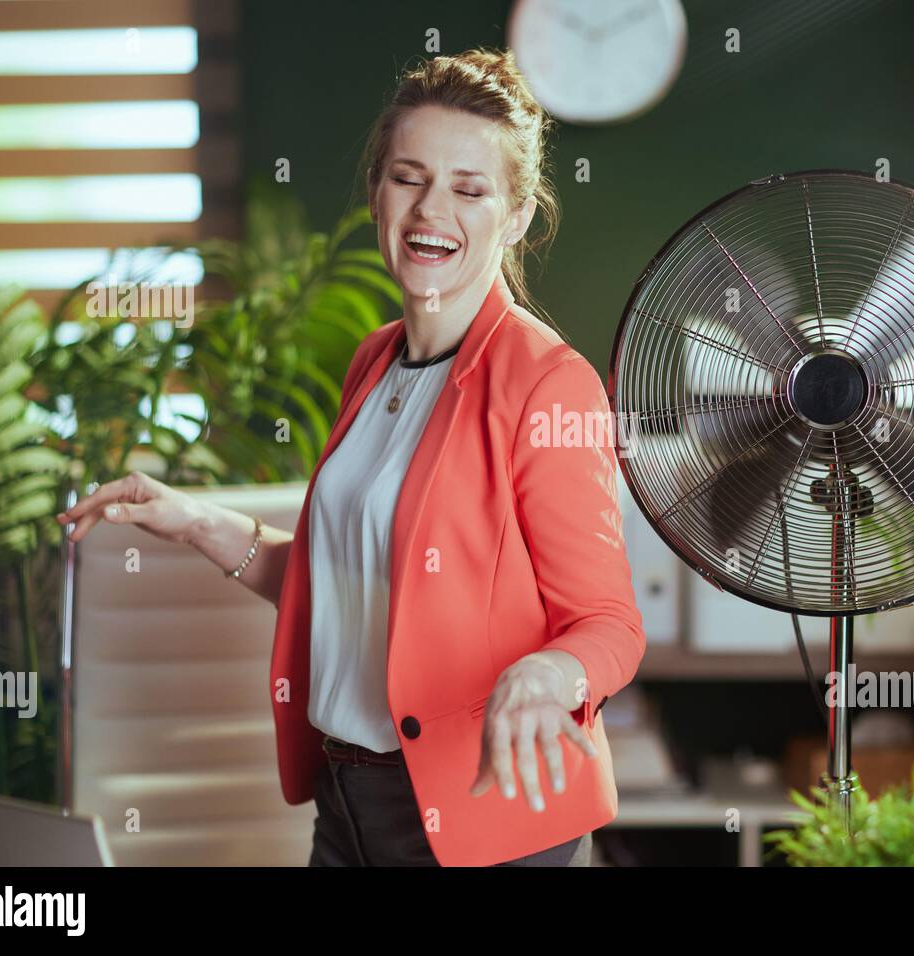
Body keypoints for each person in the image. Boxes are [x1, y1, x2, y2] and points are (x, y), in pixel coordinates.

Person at [54, 47, 646, 867]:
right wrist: (192, 520)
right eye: (409, 177)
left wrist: (550, 675)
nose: (432, 208)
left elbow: (610, 624)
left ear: (513, 217)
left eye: (470, 189)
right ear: (376, 192)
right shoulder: (375, 361)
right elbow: (352, 578)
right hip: (347, 805)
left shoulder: (548, 382)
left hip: (481, 815)